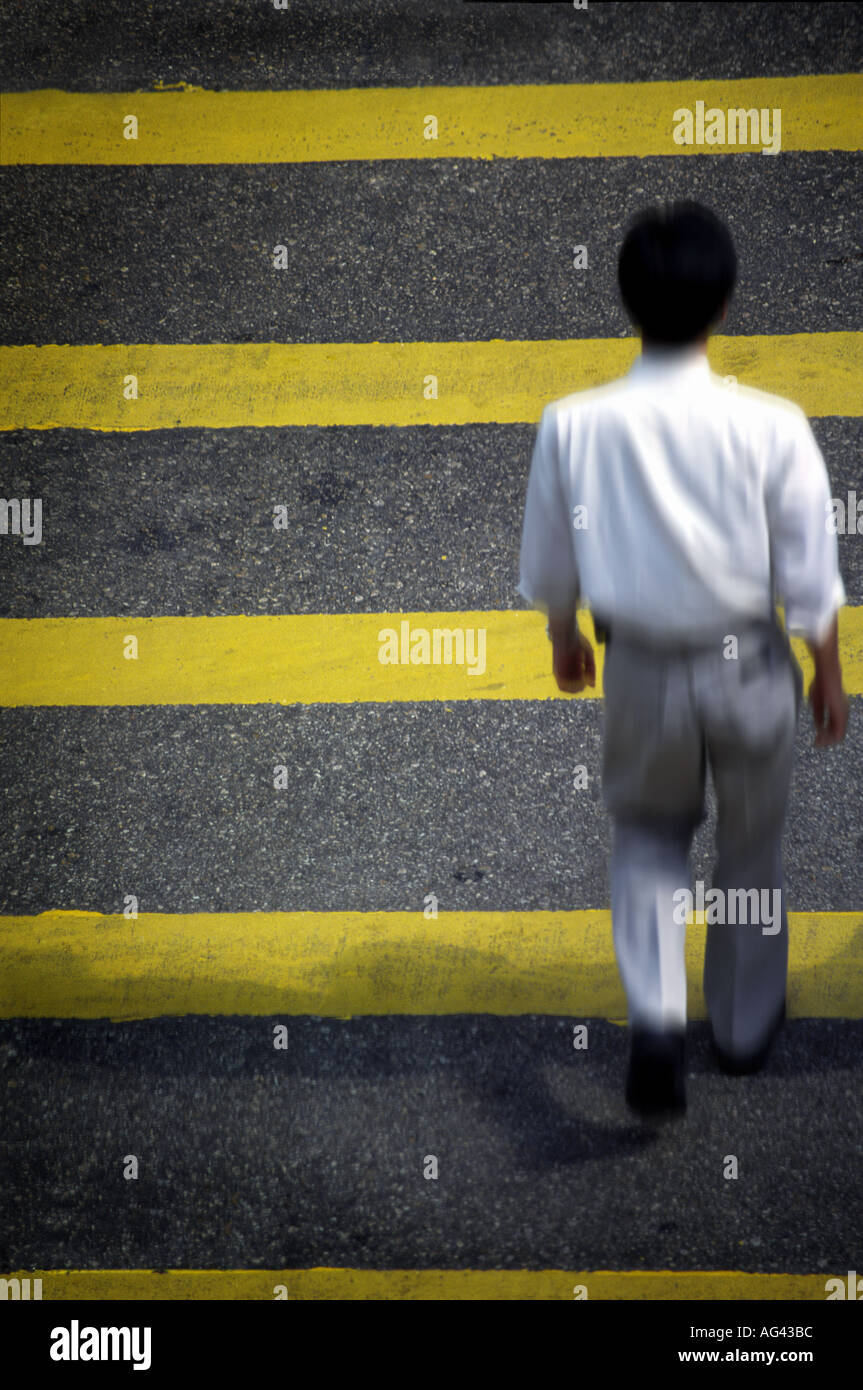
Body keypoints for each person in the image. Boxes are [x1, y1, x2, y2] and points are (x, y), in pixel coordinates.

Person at [518, 200, 849, 1118]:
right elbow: (808, 565)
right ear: (725, 305)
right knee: (751, 848)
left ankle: (657, 1015)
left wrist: (562, 637)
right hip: (747, 666)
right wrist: (825, 668)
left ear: (626, 304)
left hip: (641, 667)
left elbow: (553, 560)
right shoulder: (772, 425)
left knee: (650, 835)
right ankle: (741, 1031)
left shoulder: (573, 424)